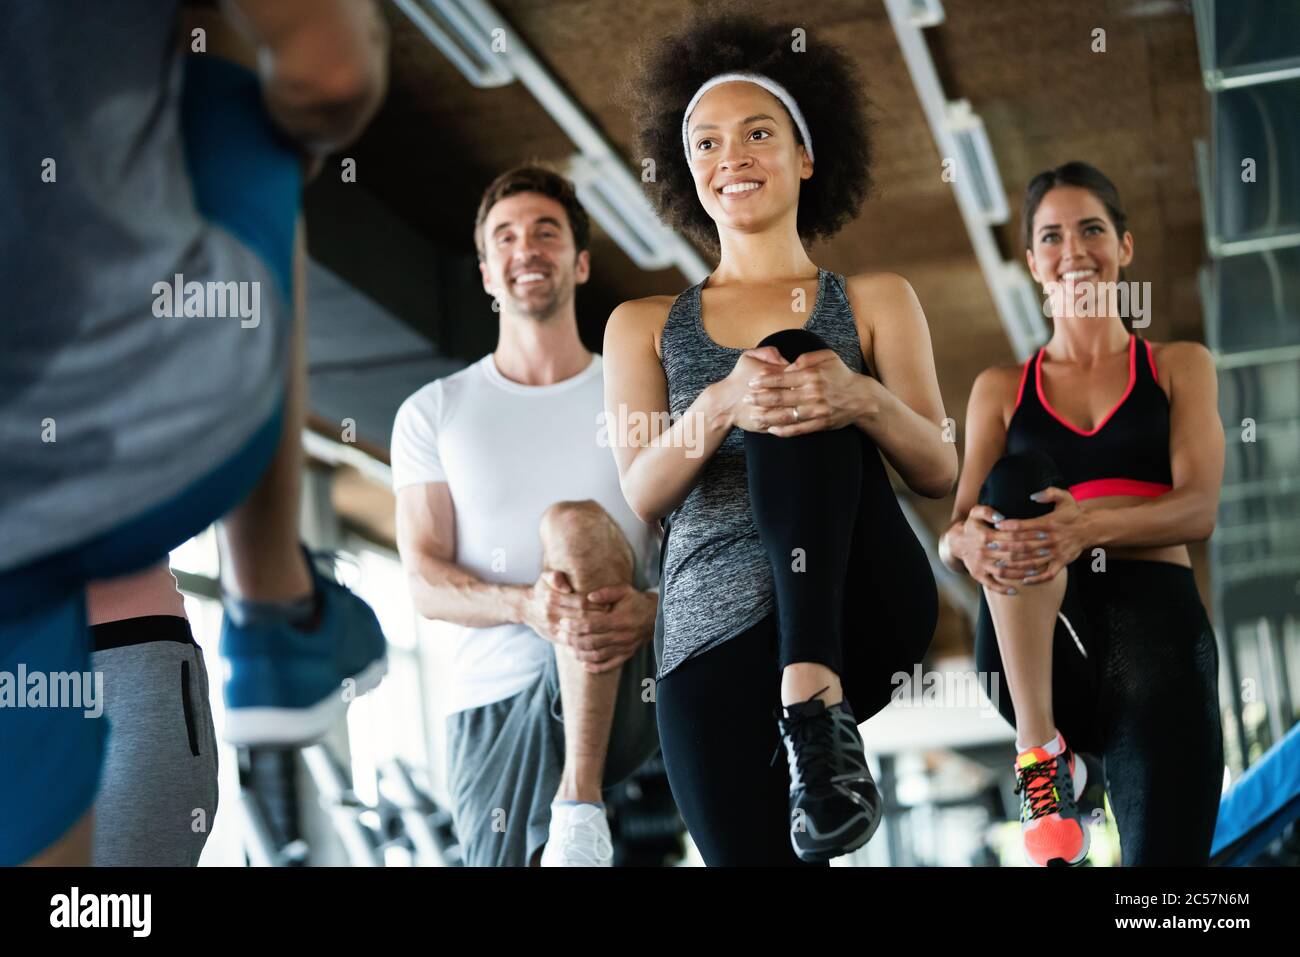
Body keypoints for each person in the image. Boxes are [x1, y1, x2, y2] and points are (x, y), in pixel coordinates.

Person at [0, 0, 388, 866]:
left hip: (79, 623)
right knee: (235, 59)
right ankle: (272, 602)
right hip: (154, 444)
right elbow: (333, 76)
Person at [605, 12, 956, 865]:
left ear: (804, 155)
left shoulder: (876, 298)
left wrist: (859, 396)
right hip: (709, 634)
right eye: (708, 143)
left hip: (857, 607)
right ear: (690, 173)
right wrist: (723, 401)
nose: (733, 157)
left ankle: (812, 696)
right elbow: (642, 491)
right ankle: (817, 738)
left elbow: (939, 467)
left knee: (801, 352)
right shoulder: (643, 324)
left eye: (758, 132)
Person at [939, 161, 1225, 866]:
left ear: (1124, 247)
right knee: (1015, 482)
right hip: (1042, 653)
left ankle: (1082, 771)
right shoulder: (1001, 388)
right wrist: (964, 545)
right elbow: (955, 530)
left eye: (1092, 229)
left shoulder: (1177, 366)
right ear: (1034, 263)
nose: (1075, 250)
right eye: (1053, 237)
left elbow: (1198, 508)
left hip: (1157, 639)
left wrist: (1087, 526)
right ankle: (1042, 757)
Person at [392, 166, 662, 867]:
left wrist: (655, 607)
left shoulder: (638, 392)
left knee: (575, 525)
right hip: (495, 700)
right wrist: (525, 605)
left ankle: (579, 800)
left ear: (580, 262)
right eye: (505, 236)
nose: (527, 248)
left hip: (633, 678)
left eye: (547, 232)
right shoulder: (435, 411)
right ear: (486, 273)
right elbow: (422, 581)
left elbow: (707, 545)